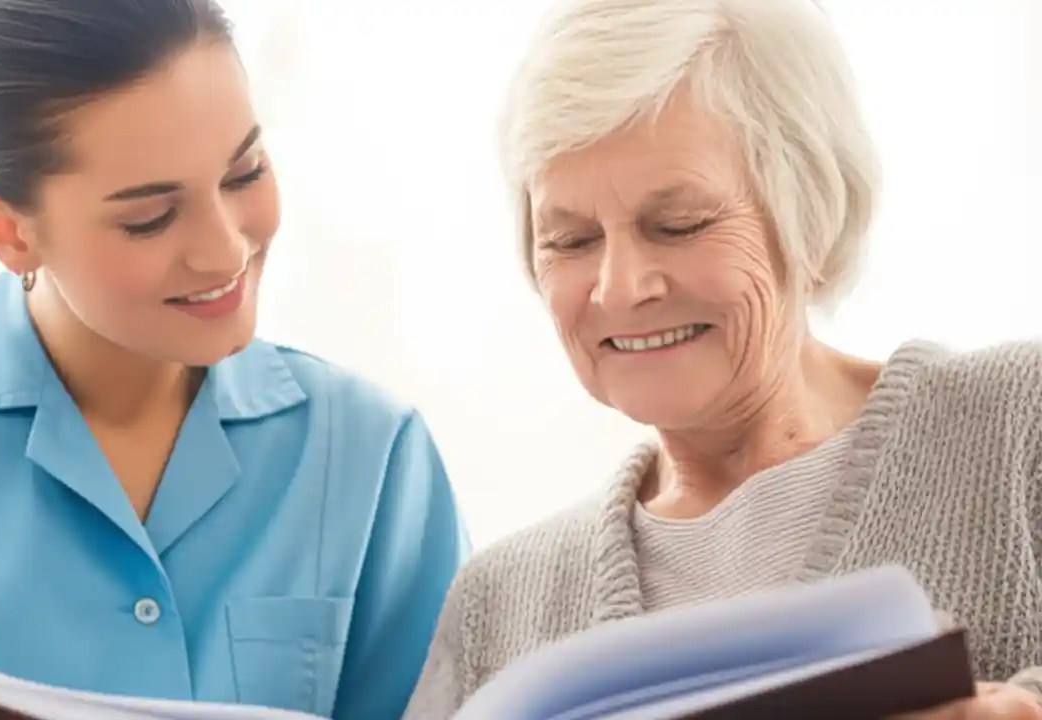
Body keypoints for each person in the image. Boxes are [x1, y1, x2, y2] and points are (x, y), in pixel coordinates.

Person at [0, 1, 469, 718]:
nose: (225, 249)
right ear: (9, 233)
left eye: (244, 173)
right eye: (150, 218)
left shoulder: (373, 455)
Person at [405, 0, 1042, 718]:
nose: (620, 288)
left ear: (810, 209)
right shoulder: (499, 604)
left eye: (679, 225)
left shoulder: (1019, 424)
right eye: (571, 241)